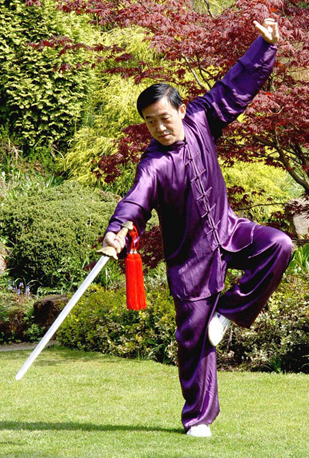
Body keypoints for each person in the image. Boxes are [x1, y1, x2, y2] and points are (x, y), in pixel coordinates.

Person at [103, 18, 292, 437]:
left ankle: (230, 310)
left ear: (181, 110)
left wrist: (263, 46)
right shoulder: (153, 163)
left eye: (165, 117)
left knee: (279, 244)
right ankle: (198, 419)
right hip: (192, 260)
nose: (159, 127)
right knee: (194, 342)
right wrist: (117, 231)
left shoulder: (203, 119)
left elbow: (234, 87)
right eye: (150, 121)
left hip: (230, 231)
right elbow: (135, 200)